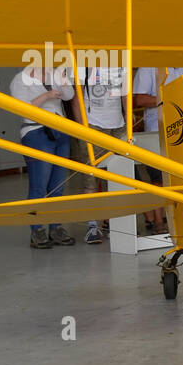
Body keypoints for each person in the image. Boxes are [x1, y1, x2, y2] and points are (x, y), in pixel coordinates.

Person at [131, 66, 183, 234]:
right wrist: (171, 99)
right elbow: (140, 99)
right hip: (158, 131)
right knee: (159, 177)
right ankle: (158, 221)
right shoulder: (148, 68)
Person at [9, 65, 76, 249]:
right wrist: (47, 96)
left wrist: (62, 79)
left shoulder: (54, 74)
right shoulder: (19, 80)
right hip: (37, 132)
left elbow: (69, 95)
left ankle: (55, 227)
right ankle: (37, 230)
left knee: (58, 185)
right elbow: (22, 109)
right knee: (39, 185)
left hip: (60, 130)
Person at [72, 66, 127, 245]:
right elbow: (76, 98)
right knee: (91, 176)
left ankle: (117, 221)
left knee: (120, 176)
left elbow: (125, 94)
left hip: (118, 125)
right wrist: (82, 128)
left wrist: (128, 119)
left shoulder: (120, 63)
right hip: (93, 124)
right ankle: (93, 225)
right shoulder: (83, 65)